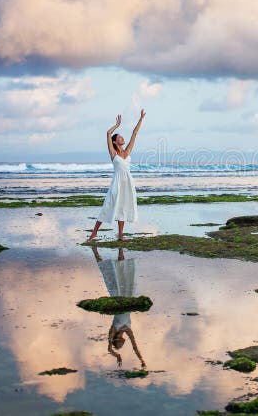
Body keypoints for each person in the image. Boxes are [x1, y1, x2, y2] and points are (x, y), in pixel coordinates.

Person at [87, 110, 146, 242]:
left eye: (121, 137)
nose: (122, 138)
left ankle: (120, 235)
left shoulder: (127, 151)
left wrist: (141, 118)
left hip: (128, 183)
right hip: (117, 183)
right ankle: (94, 233)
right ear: (115, 142)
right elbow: (108, 133)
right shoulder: (113, 153)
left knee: (123, 208)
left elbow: (134, 133)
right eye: (119, 137)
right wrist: (117, 125)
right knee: (108, 205)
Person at [90, 245, 146, 369]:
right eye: (122, 343)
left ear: (117, 340)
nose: (122, 342)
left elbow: (109, 348)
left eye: (119, 343)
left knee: (112, 279)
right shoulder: (128, 330)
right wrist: (141, 359)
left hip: (117, 298)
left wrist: (117, 355)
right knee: (126, 279)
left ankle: (96, 251)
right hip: (127, 298)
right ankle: (120, 251)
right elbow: (135, 346)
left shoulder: (113, 330)